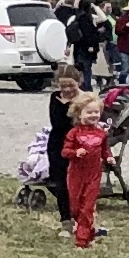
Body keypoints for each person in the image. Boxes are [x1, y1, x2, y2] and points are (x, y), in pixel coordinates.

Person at [60, 94, 109, 248]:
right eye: (89, 112)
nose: (93, 115)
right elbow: (64, 152)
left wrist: (109, 158)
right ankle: (90, 230)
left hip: (94, 174)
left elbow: (104, 150)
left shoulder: (102, 133)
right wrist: (75, 152)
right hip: (76, 174)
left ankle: (82, 240)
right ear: (79, 114)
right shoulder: (74, 133)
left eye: (96, 112)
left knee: (87, 207)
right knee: (75, 207)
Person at [46, 64, 84, 225]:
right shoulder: (55, 97)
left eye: (71, 85)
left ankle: (81, 216)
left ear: (79, 82)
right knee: (58, 181)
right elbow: (57, 122)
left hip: (78, 144)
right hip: (57, 143)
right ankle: (66, 219)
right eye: (63, 86)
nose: (67, 89)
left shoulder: (85, 100)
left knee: (77, 181)